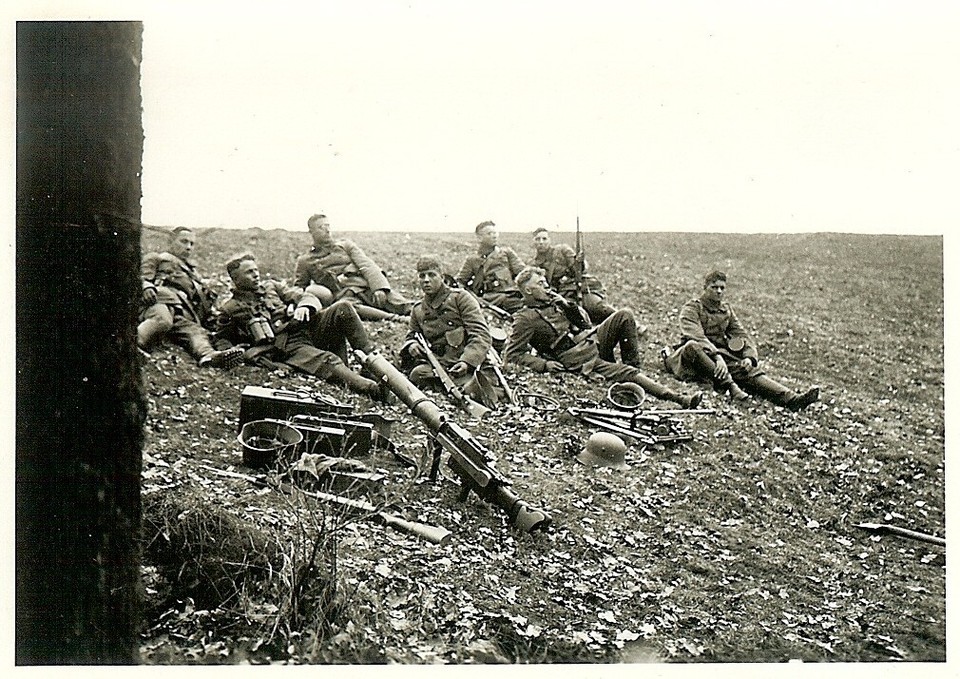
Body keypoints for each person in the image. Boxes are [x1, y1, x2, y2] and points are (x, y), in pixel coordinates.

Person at [503, 267, 702, 409]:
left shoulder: (555, 302)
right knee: (627, 372)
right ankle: (678, 398)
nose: (547, 287)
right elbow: (512, 354)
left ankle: (634, 368)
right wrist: (544, 365)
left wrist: (567, 305)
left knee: (624, 315)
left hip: (591, 339)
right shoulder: (524, 318)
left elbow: (584, 325)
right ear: (528, 290)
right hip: (579, 358)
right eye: (540, 284)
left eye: (546, 282)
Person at [215, 253, 389, 401]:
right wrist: (234, 352)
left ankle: (373, 366)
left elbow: (304, 296)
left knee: (342, 308)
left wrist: (304, 306)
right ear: (235, 279)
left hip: (307, 327)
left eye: (255, 270)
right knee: (328, 360)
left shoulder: (271, 287)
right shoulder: (230, 308)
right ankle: (373, 390)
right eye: (249, 272)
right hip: (287, 345)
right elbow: (222, 338)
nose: (256, 275)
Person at [663, 270, 820, 410]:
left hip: (717, 361)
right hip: (691, 359)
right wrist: (717, 357)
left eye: (722, 288)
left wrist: (749, 357)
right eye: (714, 287)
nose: (719, 291)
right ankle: (731, 387)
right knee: (692, 346)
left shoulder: (726, 310)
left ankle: (791, 399)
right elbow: (696, 336)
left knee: (747, 369)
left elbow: (741, 335)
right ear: (705, 288)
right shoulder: (692, 308)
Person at [398, 255, 504, 408]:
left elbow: (481, 334)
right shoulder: (418, 309)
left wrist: (467, 361)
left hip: (469, 363)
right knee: (416, 374)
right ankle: (454, 388)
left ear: (442, 277)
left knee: (474, 388)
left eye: (432, 275)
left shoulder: (460, 298)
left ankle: (472, 388)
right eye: (422, 276)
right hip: (441, 364)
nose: (426, 280)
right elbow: (411, 335)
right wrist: (412, 345)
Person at [138, 226, 242, 369]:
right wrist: (146, 286)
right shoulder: (156, 258)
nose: (188, 247)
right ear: (170, 242)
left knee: (195, 332)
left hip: (183, 311)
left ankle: (209, 356)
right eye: (184, 242)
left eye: (192, 244)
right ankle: (132, 346)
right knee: (162, 320)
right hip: (160, 300)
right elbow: (139, 277)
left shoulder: (193, 274)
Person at [293, 213, 413, 321]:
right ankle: (396, 319)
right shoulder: (305, 260)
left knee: (401, 303)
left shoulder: (345, 245)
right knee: (349, 308)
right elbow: (300, 287)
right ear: (311, 232)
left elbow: (367, 265)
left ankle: (421, 316)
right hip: (342, 297)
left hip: (364, 288)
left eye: (328, 226)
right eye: (321, 227)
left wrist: (379, 288)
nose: (327, 230)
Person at [531, 226, 617, 324]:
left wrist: (578, 262)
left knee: (598, 308)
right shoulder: (534, 264)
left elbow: (578, 270)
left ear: (549, 240)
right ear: (533, 242)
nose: (541, 242)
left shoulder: (562, 250)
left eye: (544, 239)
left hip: (578, 287)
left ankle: (631, 325)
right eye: (538, 239)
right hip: (561, 295)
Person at [455, 220, 526, 314]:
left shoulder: (507, 253)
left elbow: (523, 273)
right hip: (489, 299)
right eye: (489, 233)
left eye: (495, 233)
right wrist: (472, 298)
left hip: (511, 294)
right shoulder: (472, 260)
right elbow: (460, 281)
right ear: (480, 238)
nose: (494, 236)